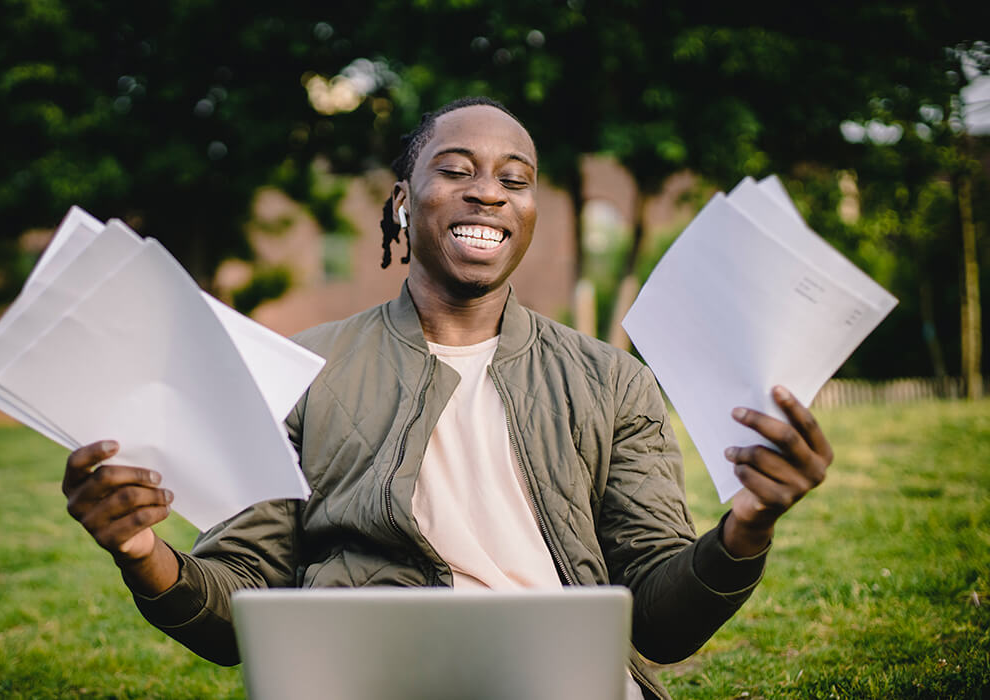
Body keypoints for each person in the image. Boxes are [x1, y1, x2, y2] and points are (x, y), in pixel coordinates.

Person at [61, 97, 832, 700]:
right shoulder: (300, 371)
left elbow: (661, 622)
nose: (488, 192)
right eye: (457, 170)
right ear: (403, 201)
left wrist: (746, 529)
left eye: (514, 180)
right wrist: (142, 553)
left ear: (530, 213)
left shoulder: (611, 382)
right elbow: (239, 609)